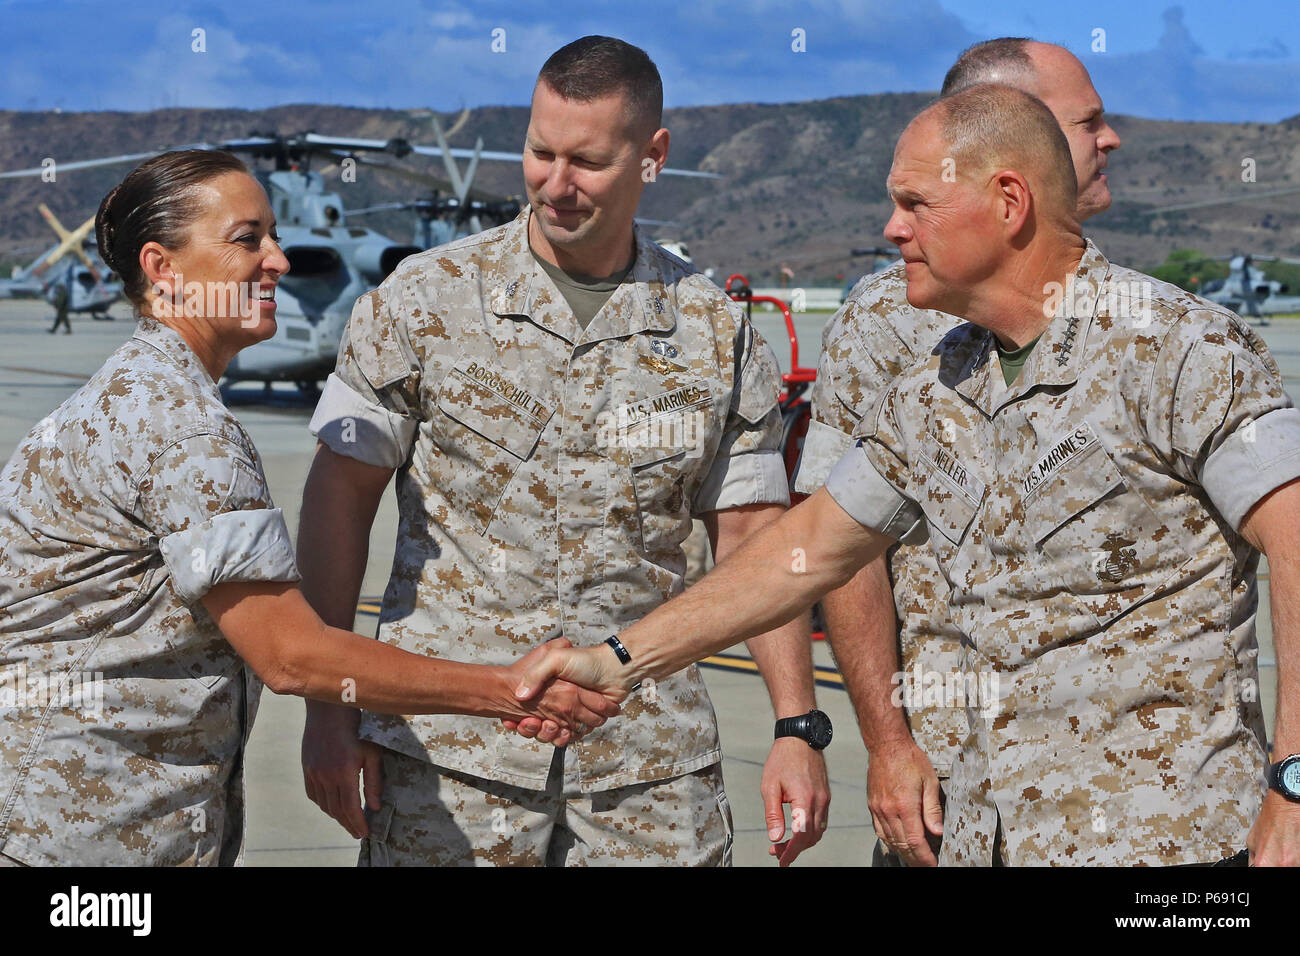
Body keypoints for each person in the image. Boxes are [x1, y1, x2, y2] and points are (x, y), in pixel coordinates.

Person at [519, 85, 1300, 867]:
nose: (893, 229)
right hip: (976, 843)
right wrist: (616, 661)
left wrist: (1294, 786)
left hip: (1169, 855)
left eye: (915, 204)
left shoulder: (1179, 351)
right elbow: (809, 551)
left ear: (1007, 201)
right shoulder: (937, 385)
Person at [0, 151, 615, 867]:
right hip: (91, 841)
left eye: (273, 236)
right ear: (163, 269)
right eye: (247, 239)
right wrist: (509, 691)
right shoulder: (184, 429)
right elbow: (291, 655)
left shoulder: (130, 394)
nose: (278, 261)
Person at [300, 35, 830, 867]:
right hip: (451, 763)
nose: (555, 182)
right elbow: (340, 502)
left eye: (587, 160)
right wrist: (330, 708)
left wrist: (797, 724)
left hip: (648, 770)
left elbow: (757, 539)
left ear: (652, 156)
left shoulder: (713, 332)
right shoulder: (424, 304)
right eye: (539, 152)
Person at [793, 38, 1122, 866]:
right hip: (948, 791)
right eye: (1089, 122)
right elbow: (836, 545)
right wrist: (886, 741)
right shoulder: (890, 318)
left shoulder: (1146, 324)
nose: (1109, 139)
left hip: (1107, 798)